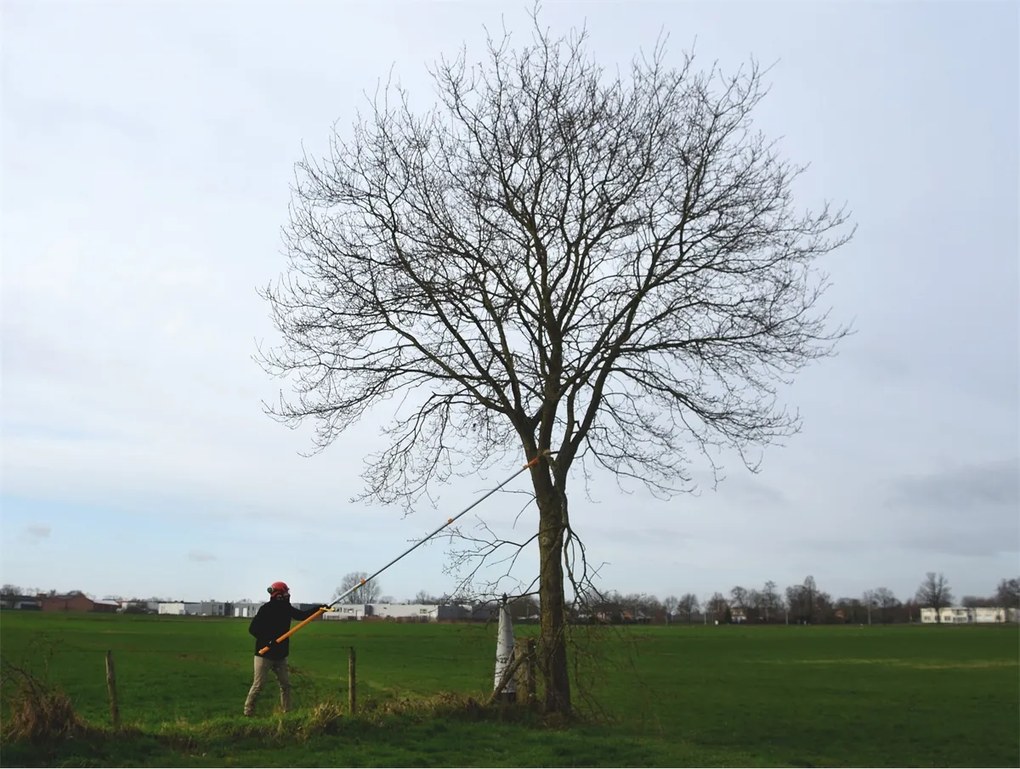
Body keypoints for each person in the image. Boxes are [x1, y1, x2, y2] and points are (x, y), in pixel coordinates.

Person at [243, 581, 324, 716]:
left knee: (285, 685)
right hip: (264, 654)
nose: (288, 595)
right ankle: (248, 712)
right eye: (286, 592)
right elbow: (253, 629)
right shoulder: (266, 609)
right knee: (259, 685)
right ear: (279, 595)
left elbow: (302, 616)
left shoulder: (287, 608)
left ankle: (287, 712)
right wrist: (268, 640)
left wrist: (320, 608)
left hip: (280, 655)